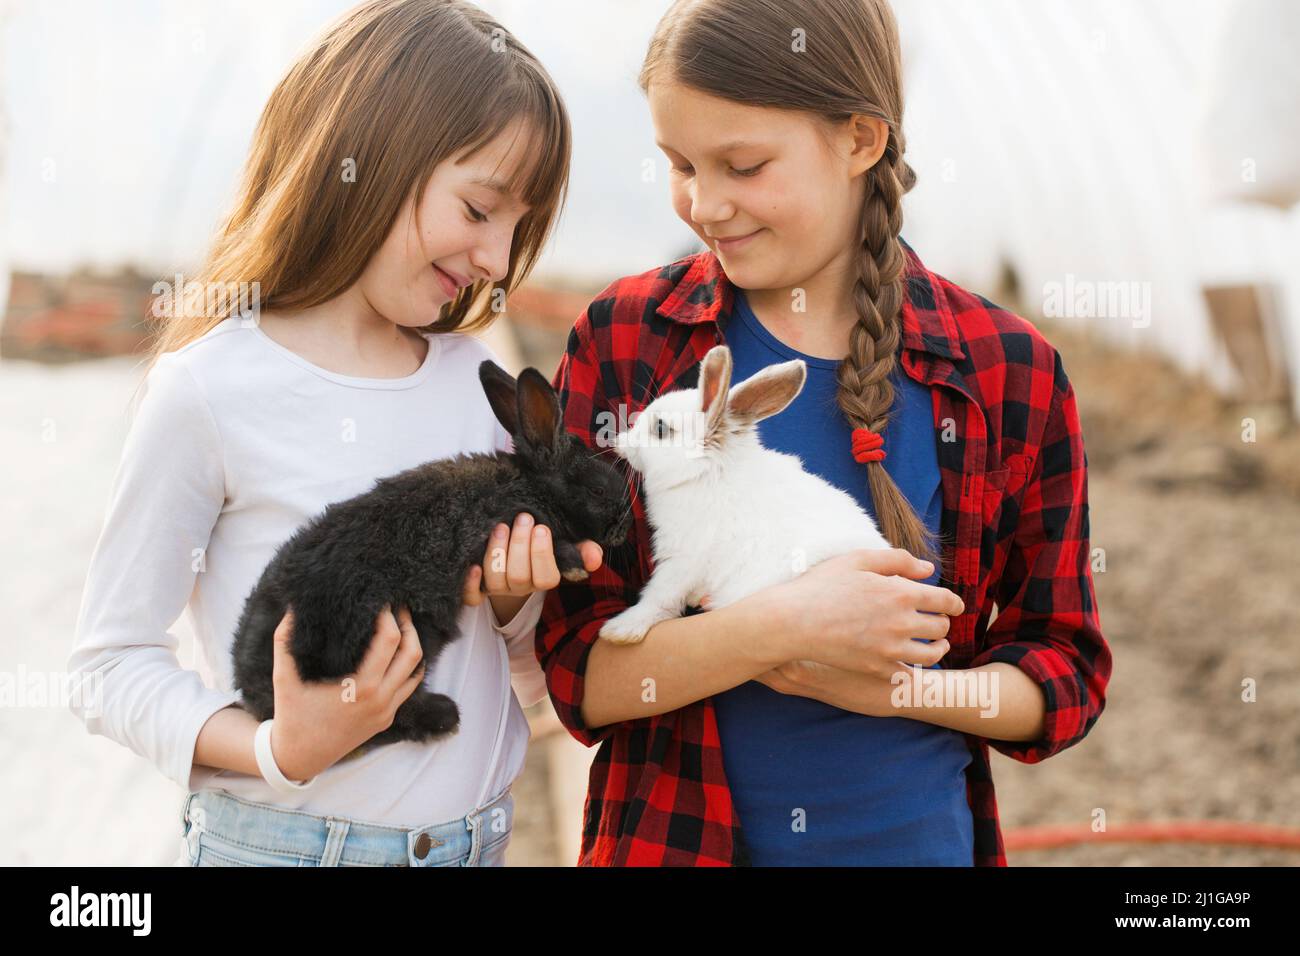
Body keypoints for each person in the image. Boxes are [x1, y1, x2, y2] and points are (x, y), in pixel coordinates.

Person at [536, 0, 1112, 866]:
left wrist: (906, 692)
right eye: (680, 164)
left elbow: (1063, 674)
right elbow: (582, 674)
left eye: (743, 164)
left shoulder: (1008, 371)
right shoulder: (628, 339)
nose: (705, 203)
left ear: (860, 141)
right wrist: (784, 627)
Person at [65, 0, 599, 867]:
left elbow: (523, 674)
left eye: (518, 229)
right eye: (479, 210)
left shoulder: (476, 383)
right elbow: (109, 664)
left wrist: (513, 602)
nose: (499, 260)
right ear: (370, 160)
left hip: (477, 844)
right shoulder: (208, 390)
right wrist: (281, 749)